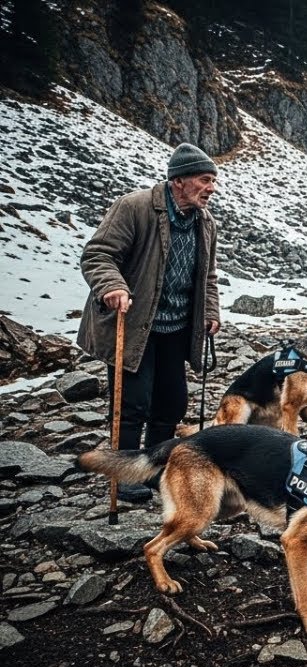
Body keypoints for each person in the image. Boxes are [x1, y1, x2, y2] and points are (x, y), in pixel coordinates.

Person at [77, 142, 222, 503]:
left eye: (213, 181)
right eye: (205, 180)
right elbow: (98, 254)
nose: (212, 188)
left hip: (176, 329)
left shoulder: (205, 222)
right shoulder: (135, 207)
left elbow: (208, 276)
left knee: (171, 403)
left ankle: (155, 471)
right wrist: (112, 285)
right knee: (132, 404)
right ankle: (125, 476)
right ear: (179, 181)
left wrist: (211, 312)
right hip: (136, 325)